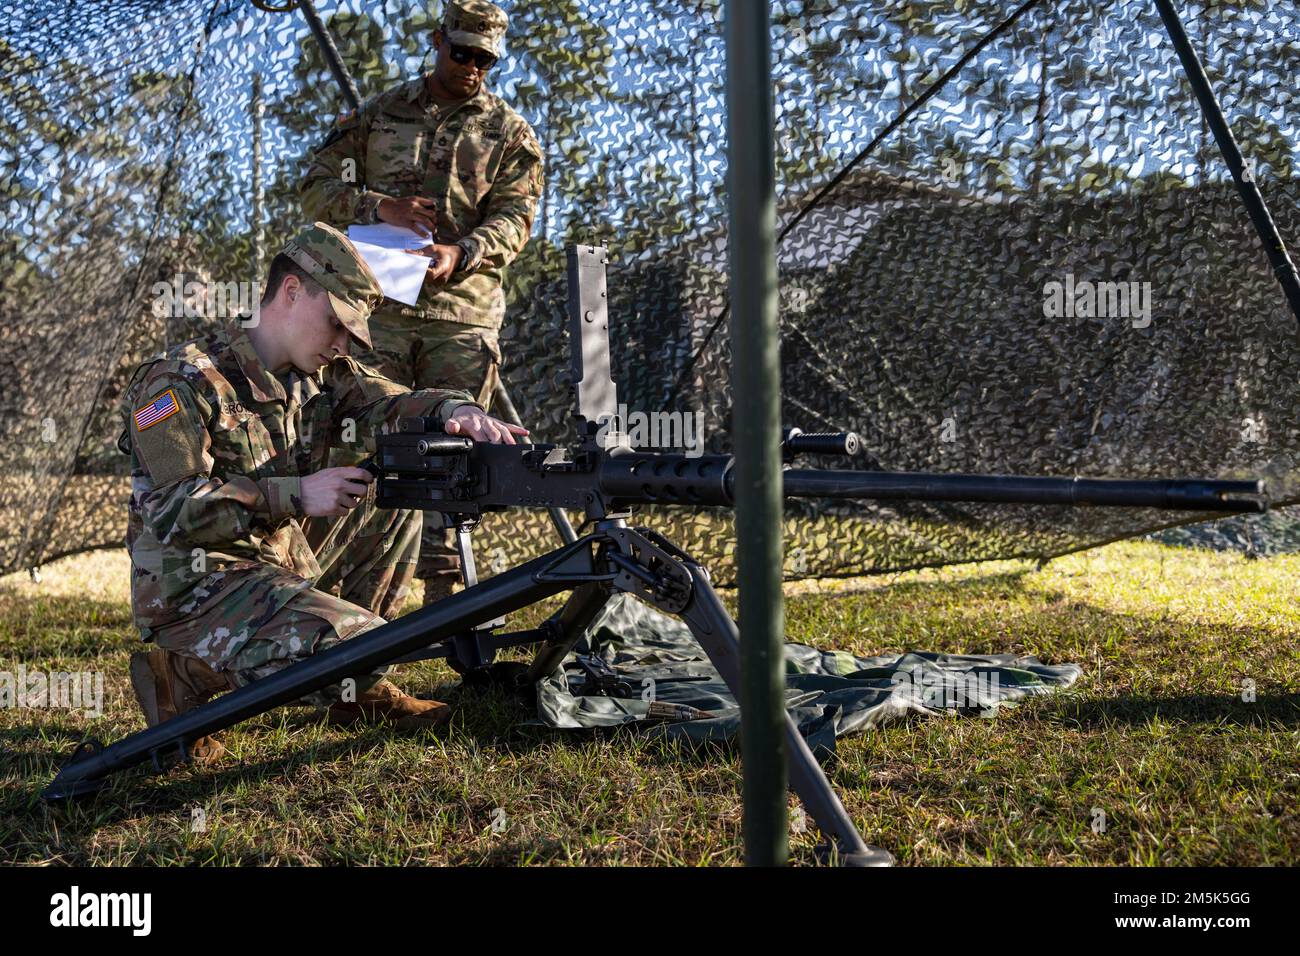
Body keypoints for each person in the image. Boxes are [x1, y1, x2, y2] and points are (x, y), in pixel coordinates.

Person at [120, 222, 528, 764]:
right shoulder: (177, 385)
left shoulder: (317, 372)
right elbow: (174, 511)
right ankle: (181, 673)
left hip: (271, 558)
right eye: (336, 323)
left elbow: (393, 401)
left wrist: (456, 409)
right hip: (194, 584)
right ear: (292, 292)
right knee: (366, 645)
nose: (341, 344)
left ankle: (350, 686)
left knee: (399, 492)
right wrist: (294, 495)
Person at [300, 0, 542, 607]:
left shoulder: (510, 132)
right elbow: (313, 186)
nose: (472, 68)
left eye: (485, 60)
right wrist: (379, 209)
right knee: (356, 442)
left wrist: (462, 253)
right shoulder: (379, 113)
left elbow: (518, 218)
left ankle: (448, 612)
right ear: (437, 41)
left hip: (460, 319)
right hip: (375, 314)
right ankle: (340, 611)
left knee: (456, 460)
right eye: (461, 53)